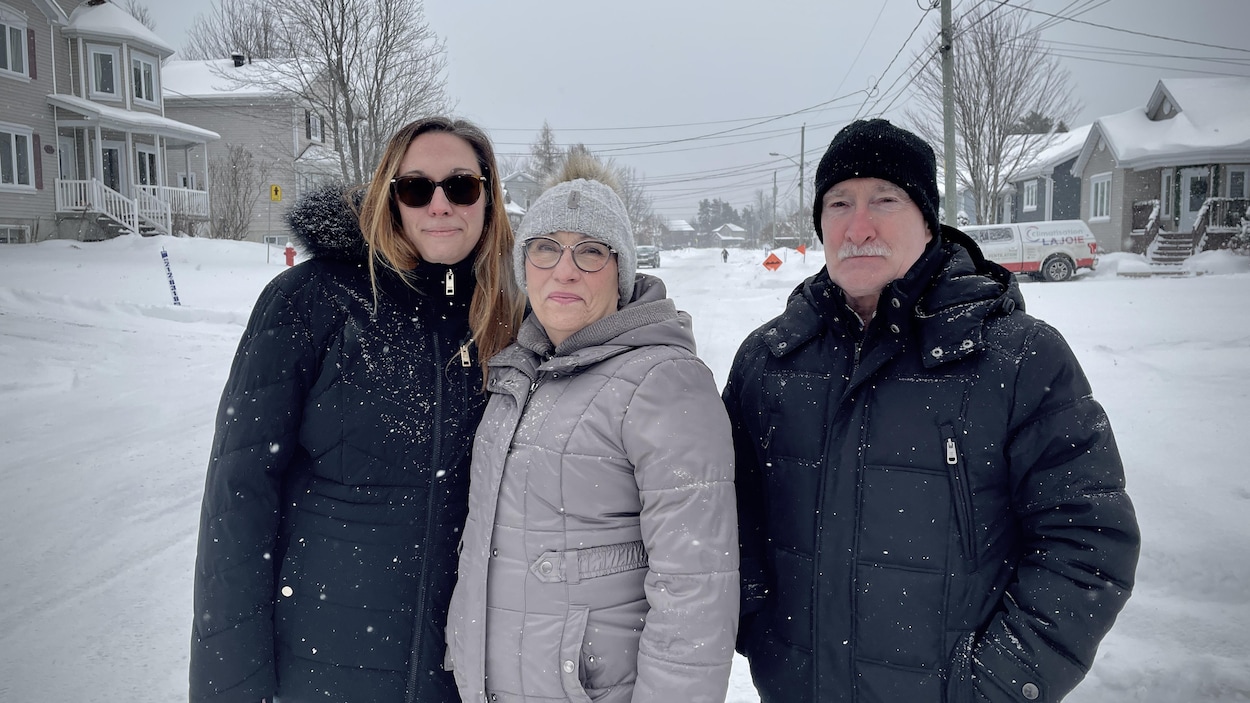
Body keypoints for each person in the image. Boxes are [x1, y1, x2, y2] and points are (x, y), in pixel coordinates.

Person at [723, 119, 1140, 703]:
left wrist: (992, 684)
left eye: (884, 200)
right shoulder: (769, 363)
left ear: (927, 219)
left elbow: (1087, 543)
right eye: (839, 202)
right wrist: (761, 629)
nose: (858, 225)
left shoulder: (1019, 360)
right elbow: (725, 519)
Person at [189, 116, 523, 703]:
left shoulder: (514, 316)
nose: (439, 204)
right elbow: (236, 506)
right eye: (416, 187)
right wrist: (230, 686)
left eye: (461, 186)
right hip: (325, 668)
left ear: (489, 198)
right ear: (390, 198)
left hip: (466, 674)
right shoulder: (310, 301)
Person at [445, 152, 739, 703]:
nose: (565, 269)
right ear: (524, 265)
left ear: (621, 271)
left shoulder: (664, 380)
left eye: (591, 251)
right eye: (546, 248)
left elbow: (696, 589)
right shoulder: (515, 373)